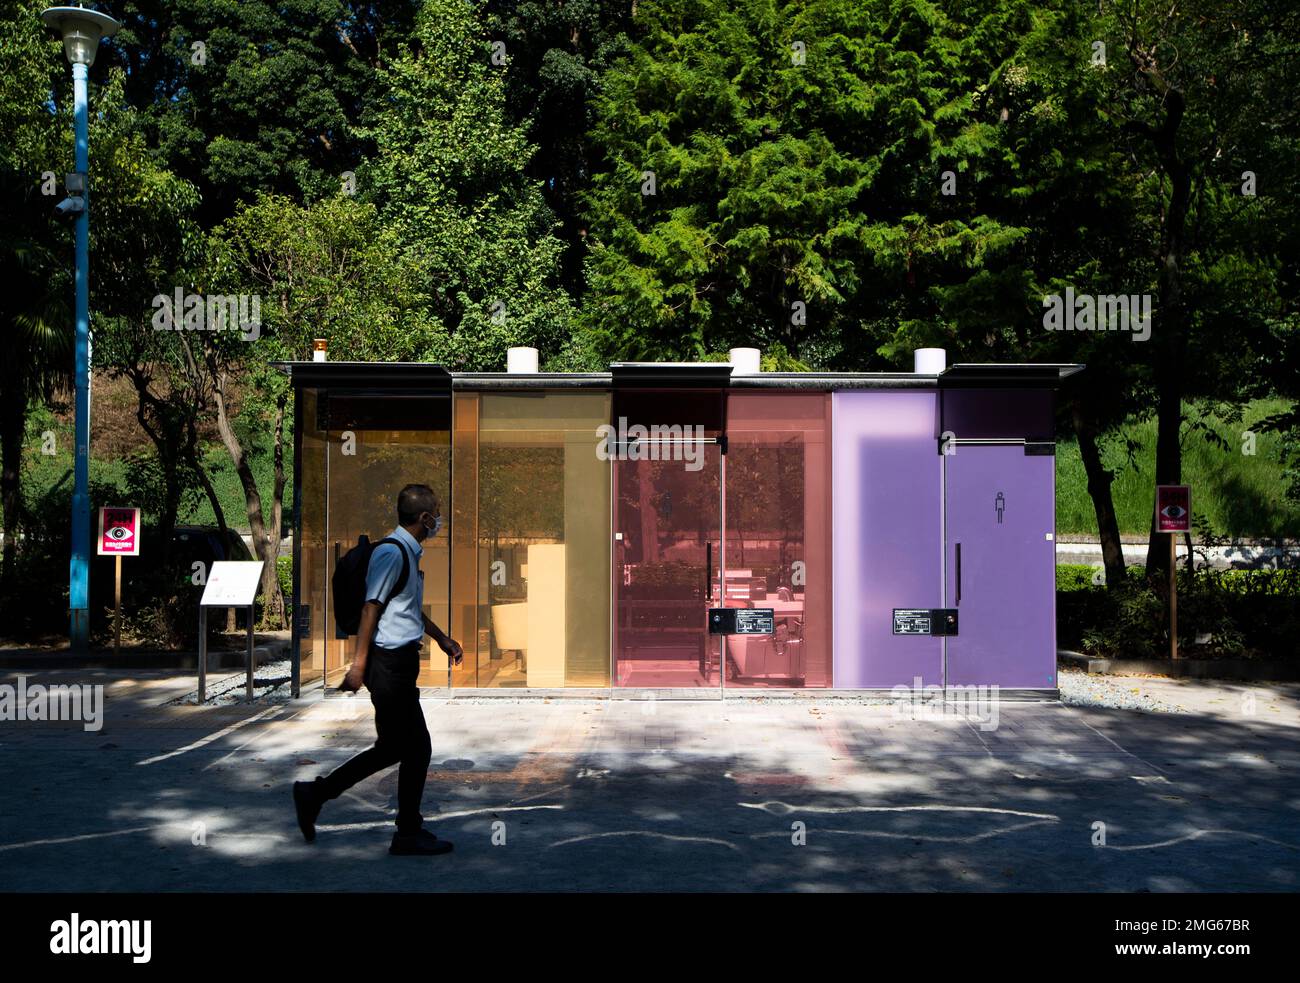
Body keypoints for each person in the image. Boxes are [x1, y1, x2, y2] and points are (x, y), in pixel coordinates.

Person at [293, 483, 464, 856]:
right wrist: (358, 665)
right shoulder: (392, 553)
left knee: (392, 749)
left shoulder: (405, 553)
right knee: (417, 748)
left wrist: (441, 638)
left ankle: (315, 794)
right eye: (436, 512)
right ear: (424, 518)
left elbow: (405, 606)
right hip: (388, 667)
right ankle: (406, 833)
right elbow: (372, 606)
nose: (439, 519)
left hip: (398, 664)